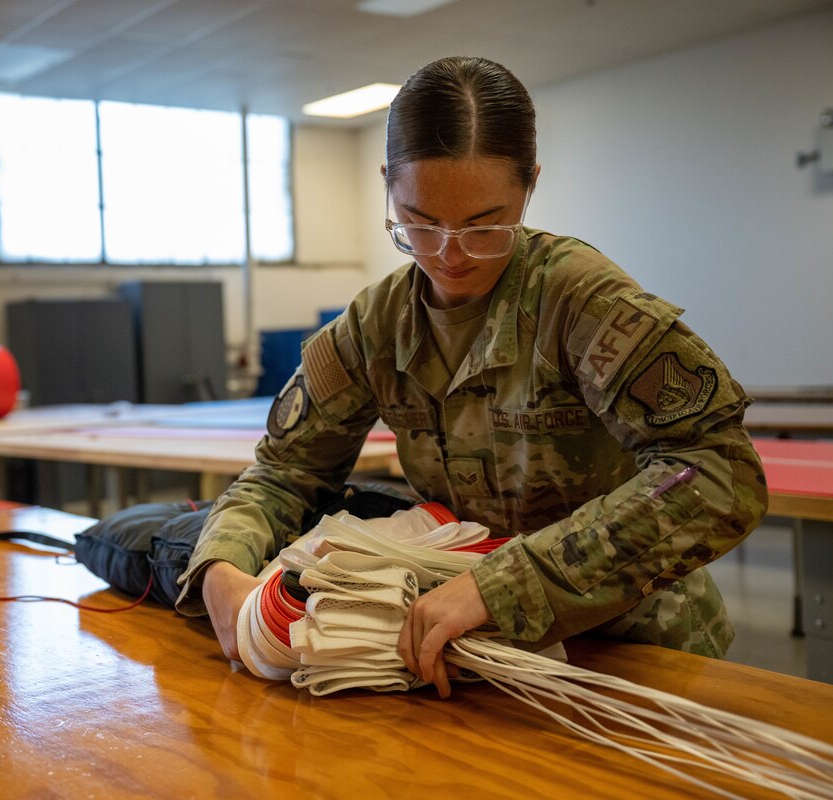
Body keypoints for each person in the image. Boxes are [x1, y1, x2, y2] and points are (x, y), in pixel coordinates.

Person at [174, 56, 768, 698]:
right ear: (387, 186)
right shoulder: (377, 325)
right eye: (418, 223)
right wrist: (220, 565)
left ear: (530, 186)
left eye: (486, 227)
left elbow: (718, 471)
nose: (449, 255)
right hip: (465, 656)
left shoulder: (578, 302)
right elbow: (286, 471)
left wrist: (507, 584)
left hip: (630, 652)